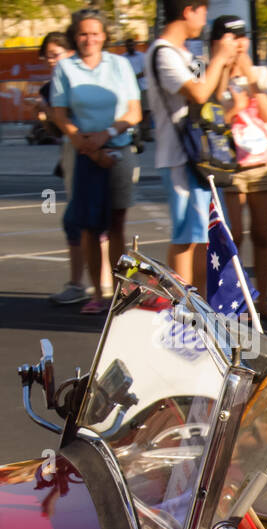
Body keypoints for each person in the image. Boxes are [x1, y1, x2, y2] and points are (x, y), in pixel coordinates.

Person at [49, 8, 141, 316]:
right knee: (89, 227)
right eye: (83, 34)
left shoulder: (120, 65)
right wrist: (88, 147)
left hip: (118, 150)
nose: (89, 39)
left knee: (116, 225)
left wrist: (106, 135)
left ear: (105, 36)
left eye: (95, 33)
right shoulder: (65, 68)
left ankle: (119, 291)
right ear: (75, 36)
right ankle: (96, 295)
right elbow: (60, 115)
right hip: (84, 153)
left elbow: (133, 112)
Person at [146, 0, 239, 290]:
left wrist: (224, 63)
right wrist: (218, 58)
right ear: (188, 10)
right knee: (186, 237)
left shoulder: (190, 54)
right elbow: (198, 93)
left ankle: (200, 304)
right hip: (179, 155)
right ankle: (183, 306)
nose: (204, 20)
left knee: (203, 236)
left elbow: (212, 94)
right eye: (202, 12)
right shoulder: (163, 54)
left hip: (200, 156)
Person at [211, 15, 267, 324]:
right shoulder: (211, 71)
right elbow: (212, 116)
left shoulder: (259, 72)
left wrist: (249, 79)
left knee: (262, 235)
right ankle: (232, 301)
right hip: (232, 164)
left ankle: (263, 301)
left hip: (264, 161)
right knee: (235, 235)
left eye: (242, 37)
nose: (238, 43)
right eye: (231, 37)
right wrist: (233, 103)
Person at [38, 31, 100, 307]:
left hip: (90, 148)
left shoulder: (78, 79)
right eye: (47, 56)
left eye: (56, 54)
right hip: (72, 151)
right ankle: (93, 283)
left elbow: (69, 119)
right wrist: (45, 118)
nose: (51, 61)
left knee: (88, 220)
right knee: (82, 220)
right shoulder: (52, 85)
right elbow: (55, 128)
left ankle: (92, 284)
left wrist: (49, 114)